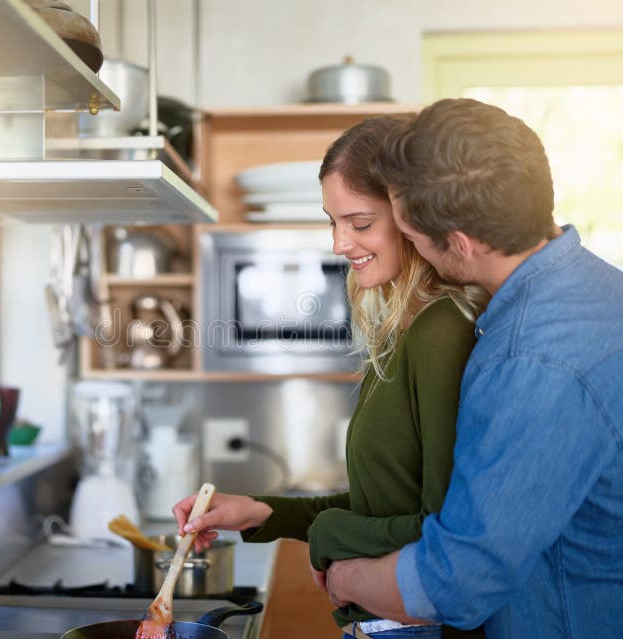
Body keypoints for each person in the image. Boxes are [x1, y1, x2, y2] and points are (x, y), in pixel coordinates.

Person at [320, 98, 623, 639]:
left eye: (409, 230)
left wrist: (346, 577)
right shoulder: (609, 292)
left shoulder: (533, 361)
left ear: (460, 244)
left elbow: (457, 582)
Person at [174, 115, 488, 639]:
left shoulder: (441, 333)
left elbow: (448, 533)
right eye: (332, 221)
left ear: (414, 216)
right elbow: (384, 505)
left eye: (360, 223)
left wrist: (327, 531)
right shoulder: (404, 332)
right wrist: (261, 511)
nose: (340, 244)